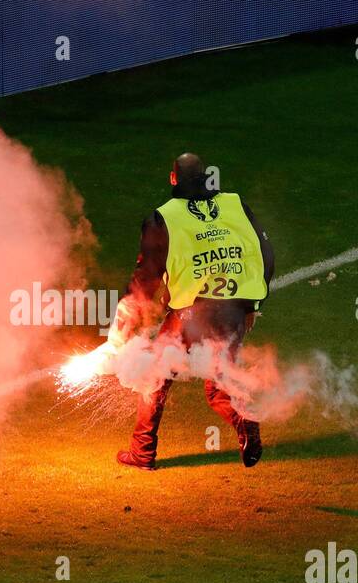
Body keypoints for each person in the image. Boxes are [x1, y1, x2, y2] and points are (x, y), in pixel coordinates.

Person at [109, 153, 275, 471]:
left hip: (190, 314)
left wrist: (128, 312)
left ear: (173, 179)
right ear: (207, 178)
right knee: (217, 385)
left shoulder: (163, 218)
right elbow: (264, 252)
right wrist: (252, 304)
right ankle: (243, 418)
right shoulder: (234, 205)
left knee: (155, 376)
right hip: (233, 310)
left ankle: (142, 452)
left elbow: (146, 277)